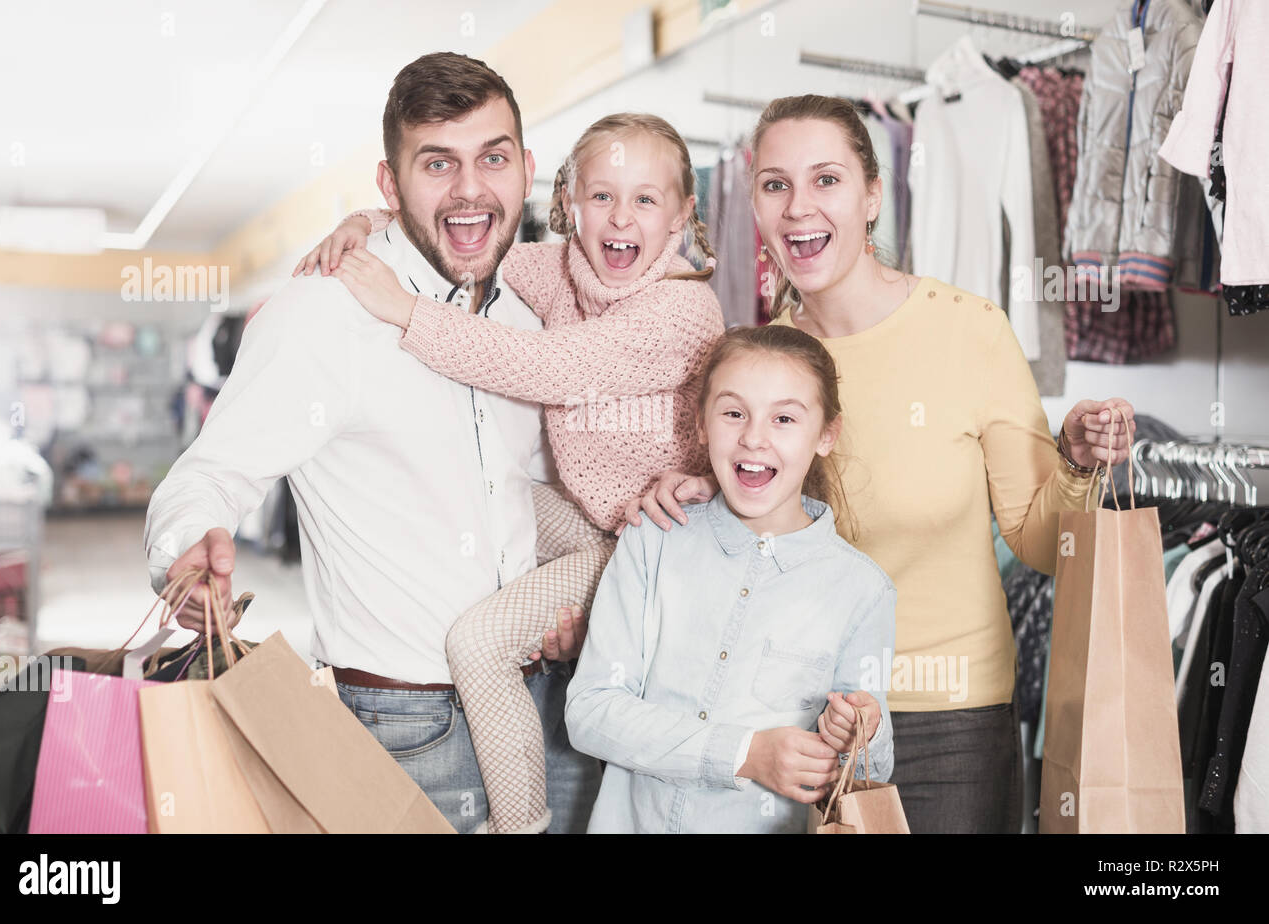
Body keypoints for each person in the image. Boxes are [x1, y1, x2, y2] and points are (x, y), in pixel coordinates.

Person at [626, 95, 1138, 834]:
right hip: (792, 722)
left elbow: (1039, 541)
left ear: (872, 196)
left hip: (947, 724)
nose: (799, 208)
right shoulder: (757, 366)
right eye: (775, 185)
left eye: (825, 180)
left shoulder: (969, 330)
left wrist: (1079, 466)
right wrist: (696, 492)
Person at [143, 52, 601, 833]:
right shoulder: (322, 315)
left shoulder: (533, 316)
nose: (468, 188)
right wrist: (187, 551)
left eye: (491, 158)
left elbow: (532, 493)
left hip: (549, 708)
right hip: (405, 729)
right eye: (436, 163)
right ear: (388, 185)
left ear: (525, 171)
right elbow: (208, 475)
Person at [292, 113, 725, 833]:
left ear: (682, 214)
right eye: (602, 197)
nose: (621, 218)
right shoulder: (555, 267)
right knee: (479, 482)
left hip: (649, 544)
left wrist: (403, 311)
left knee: (477, 644)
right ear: (568, 203)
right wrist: (371, 222)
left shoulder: (684, 309)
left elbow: (547, 368)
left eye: (647, 200)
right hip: (589, 521)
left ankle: (519, 824)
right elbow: (465, 247)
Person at [565, 324, 896, 833]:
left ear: (826, 435)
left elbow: (875, 764)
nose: (754, 437)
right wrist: (745, 753)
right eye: (734, 413)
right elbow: (589, 712)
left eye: (784, 417)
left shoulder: (863, 591)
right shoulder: (652, 539)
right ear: (701, 423)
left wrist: (858, 734)